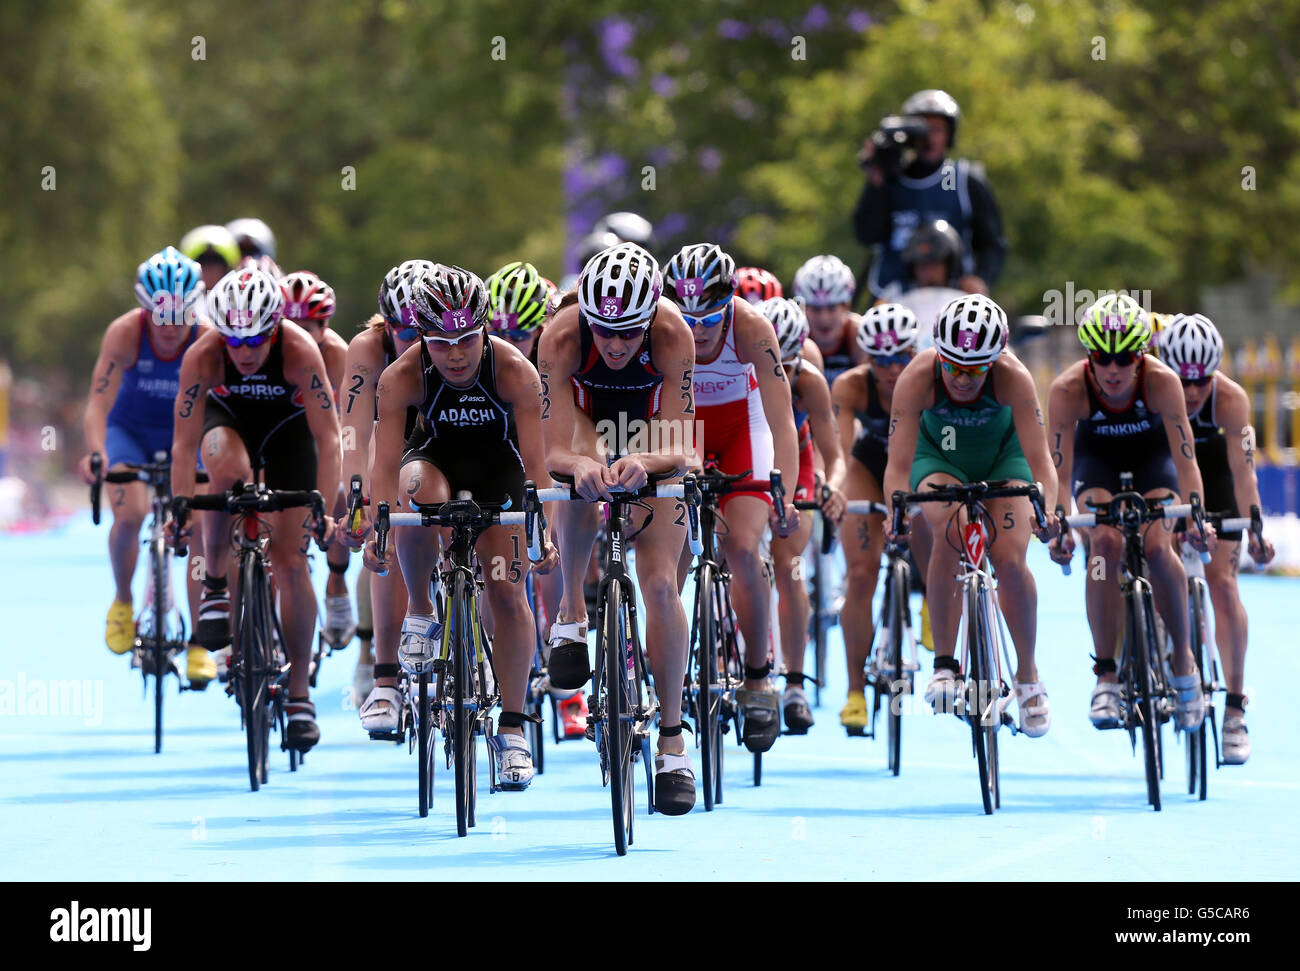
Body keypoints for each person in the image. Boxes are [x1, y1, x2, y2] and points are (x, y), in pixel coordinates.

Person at [360, 264, 558, 789]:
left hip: (500, 471)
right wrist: (377, 529)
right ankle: (422, 614)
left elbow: (537, 469)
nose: (455, 354)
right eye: (441, 341)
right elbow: (383, 466)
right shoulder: (401, 376)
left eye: (467, 339)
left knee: (507, 592)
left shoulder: (515, 371)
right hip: (436, 465)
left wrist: (545, 529)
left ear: (485, 330)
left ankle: (513, 733)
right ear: (421, 335)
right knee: (412, 492)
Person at [537, 242, 701, 813]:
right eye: (604, 331)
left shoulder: (674, 333)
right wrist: (582, 465)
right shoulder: (559, 335)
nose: (614, 344)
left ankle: (674, 743)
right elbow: (551, 444)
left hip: (653, 428)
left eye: (629, 333)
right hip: (586, 424)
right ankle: (572, 618)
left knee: (659, 584)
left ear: (651, 316)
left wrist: (650, 462)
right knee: (581, 480)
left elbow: (682, 436)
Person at [169, 267, 342, 751]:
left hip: (290, 438)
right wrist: (181, 509)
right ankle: (218, 587)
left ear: (274, 329)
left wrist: (322, 510)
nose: (244, 353)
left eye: (255, 342)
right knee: (221, 464)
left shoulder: (300, 351)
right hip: (228, 429)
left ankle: (301, 697)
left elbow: (329, 441)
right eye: (234, 342)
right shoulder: (203, 355)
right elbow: (184, 447)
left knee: (289, 563)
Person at [884, 294, 1057, 737]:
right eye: (954, 366)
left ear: (995, 360)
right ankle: (945, 664)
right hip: (938, 459)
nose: (963, 378)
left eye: (976, 369)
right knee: (951, 532)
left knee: (1011, 559)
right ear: (938, 352)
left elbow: (1041, 461)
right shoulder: (917, 376)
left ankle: (1028, 675)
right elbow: (899, 465)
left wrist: (1048, 508)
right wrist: (895, 512)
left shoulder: (1014, 377)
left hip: (1004, 460)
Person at [1047, 294, 1214, 732]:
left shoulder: (1161, 382)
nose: (1114, 370)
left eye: (1126, 358)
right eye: (1103, 359)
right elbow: (1058, 473)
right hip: (1095, 464)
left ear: (1142, 356)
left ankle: (1183, 661)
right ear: (1089, 357)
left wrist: (1195, 515)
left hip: (1152, 462)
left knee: (1160, 547)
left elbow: (1185, 459)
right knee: (1102, 544)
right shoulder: (1066, 390)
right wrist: (1060, 526)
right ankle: (1105, 674)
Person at [664, 242, 801, 755]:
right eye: (688, 319)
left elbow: (782, 416)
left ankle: (759, 675)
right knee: (668, 551)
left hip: (743, 429)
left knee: (743, 546)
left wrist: (781, 484)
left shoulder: (751, 328)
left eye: (710, 319)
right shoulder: (659, 322)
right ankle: (645, 663)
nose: (697, 332)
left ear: (729, 305)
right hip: (679, 432)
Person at [79, 246, 213, 684]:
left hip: (186, 436)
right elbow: (98, 404)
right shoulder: (124, 333)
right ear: (144, 308)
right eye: (160, 316)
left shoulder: (207, 337)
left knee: (197, 529)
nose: (171, 328)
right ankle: (122, 602)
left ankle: (199, 639)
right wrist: (98, 454)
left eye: (179, 316)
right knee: (132, 513)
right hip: (130, 433)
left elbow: (225, 411)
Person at [1158, 312, 1274, 761]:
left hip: (1217, 475)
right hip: (1167, 471)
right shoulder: (1151, 390)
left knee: (1224, 586)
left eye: (1200, 382)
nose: (1189, 393)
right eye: (1180, 382)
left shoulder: (1231, 399)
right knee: (1154, 549)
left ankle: (1234, 709)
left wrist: (1255, 525)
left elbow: (1245, 472)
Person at [831, 303, 934, 733]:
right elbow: (837, 450)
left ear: (916, 352)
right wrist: (831, 487)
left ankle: (933, 595)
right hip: (868, 465)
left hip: (919, 460)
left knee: (931, 510)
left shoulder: (932, 379)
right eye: (881, 360)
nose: (892, 371)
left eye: (900, 358)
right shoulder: (852, 386)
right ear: (866, 359)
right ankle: (855, 691)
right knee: (860, 574)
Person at [339, 261, 430, 727]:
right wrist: (358, 499)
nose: (411, 342)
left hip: (443, 436)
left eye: (421, 332)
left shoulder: (455, 347)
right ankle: (385, 679)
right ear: (385, 325)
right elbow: (353, 436)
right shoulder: (367, 350)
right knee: (383, 524)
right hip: (388, 438)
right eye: (401, 331)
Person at [756, 296, 846, 732]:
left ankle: (794, 682)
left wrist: (829, 484)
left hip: (799, 459)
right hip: (746, 455)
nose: (780, 374)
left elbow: (834, 454)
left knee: (790, 564)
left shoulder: (809, 380)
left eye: (788, 364)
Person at [852, 89, 1006, 302]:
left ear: (949, 134)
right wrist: (875, 181)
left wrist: (981, 278)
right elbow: (866, 235)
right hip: (894, 299)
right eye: (922, 129)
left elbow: (993, 244)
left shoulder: (961, 180)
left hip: (952, 300)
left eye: (937, 129)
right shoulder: (890, 180)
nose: (929, 137)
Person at [280, 270, 356, 646]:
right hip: (286, 438)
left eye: (306, 325)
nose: (297, 332)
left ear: (324, 325)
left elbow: (343, 428)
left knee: (338, 497)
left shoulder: (339, 355)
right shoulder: (268, 349)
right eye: (289, 322)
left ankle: (337, 580)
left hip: (328, 435)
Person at [892, 219, 968, 350]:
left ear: (949, 265)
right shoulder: (893, 295)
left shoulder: (969, 300)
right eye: (921, 265)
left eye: (934, 264)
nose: (927, 272)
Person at [792, 254, 866, 387]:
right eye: (815, 309)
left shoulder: (860, 332)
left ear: (846, 306)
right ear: (803, 309)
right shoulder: (793, 335)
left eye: (831, 308)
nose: (823, 318)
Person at [179, 225, 241, 291]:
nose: (210, 269)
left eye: (216, 260)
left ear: (227, 269)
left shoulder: (236, 299)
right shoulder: (179, 299)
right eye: (203, 260)